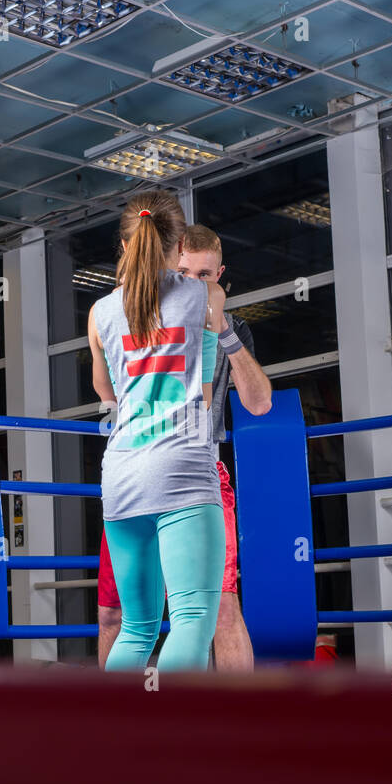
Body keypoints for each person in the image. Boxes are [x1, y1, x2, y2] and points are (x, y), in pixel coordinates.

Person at [95, 224, 271, 670]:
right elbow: (111, 396)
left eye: (205, 276)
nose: (194, 284)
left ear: (221, 275)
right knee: (117, 615)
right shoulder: (137, 316)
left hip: (194, 472)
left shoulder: (230, 326)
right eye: (185, 272)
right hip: (139, 468)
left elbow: (260, 402)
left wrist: (223, 331)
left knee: (219, 608)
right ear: (169, 266)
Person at [87, 191, 228, 671]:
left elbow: (105, 390)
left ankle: (114, 740)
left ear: (125, 244)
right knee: (191, 619)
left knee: (136, 626)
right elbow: (205, 384)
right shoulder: (204, 296)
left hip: (123, 470)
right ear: (180, 244)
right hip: (183, 465)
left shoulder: (100, 313)